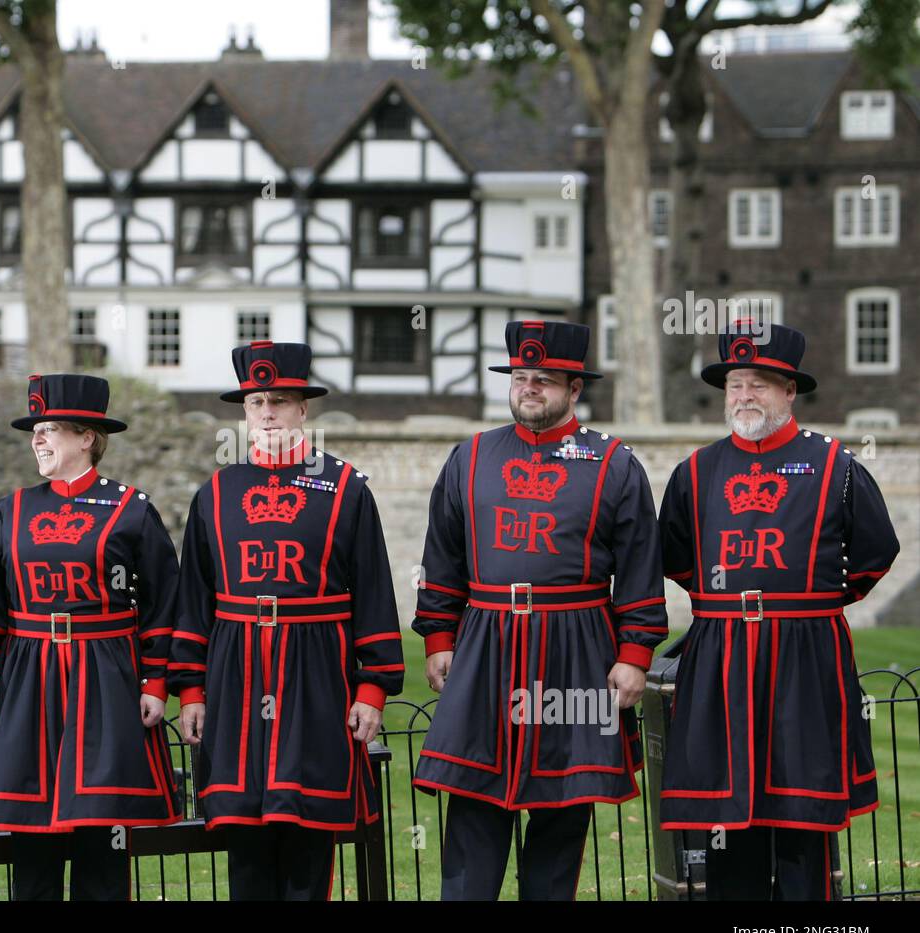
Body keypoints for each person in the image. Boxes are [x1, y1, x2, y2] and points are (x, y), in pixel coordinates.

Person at [412, 320, 668, 900]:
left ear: (573, 388)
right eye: (521, 377)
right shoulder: (471, 457)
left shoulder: (613, 463)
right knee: (474, 801)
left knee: (561, 810)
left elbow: (638, 567)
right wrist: (438, 638)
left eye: (545, 380)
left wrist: (634, 654)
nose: (530, 387)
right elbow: (443, 558)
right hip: (484, 646)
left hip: (575, 648)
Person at [658, 319, 899, 900]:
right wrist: (729, 606)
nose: (745, 396)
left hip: (805, 652)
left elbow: (875, 553)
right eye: (736, 383)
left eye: (760, 384)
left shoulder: (837, 465)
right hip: (719, 654)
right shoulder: (694, 472)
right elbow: (675, 556)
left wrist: (806, 604)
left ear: (790, 391)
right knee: (726, 816)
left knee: (802, 817)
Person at [169, 340, 404, 900]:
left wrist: (372, 688)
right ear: (244, 412)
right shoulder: (216, 493)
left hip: (316, 673)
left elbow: (373, 592)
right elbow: (194, 600)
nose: (267, 412)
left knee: (307, 834)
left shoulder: (347, 488)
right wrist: (191, 690)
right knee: (244, 839)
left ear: (304, 409)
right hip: (236, 675)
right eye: (256, 402)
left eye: (280, 400)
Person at [0, 374, 180, 901]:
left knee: (102, 839)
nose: (38, 440)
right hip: (27, 681)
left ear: (87, 437)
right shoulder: (8, 512)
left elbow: (164, 604)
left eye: (50, 430)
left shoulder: (132, 509)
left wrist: (156, 682)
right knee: (32, 842)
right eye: (35, 431)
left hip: (106, 677)